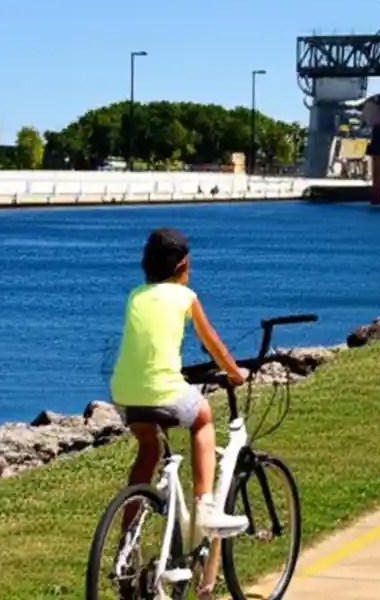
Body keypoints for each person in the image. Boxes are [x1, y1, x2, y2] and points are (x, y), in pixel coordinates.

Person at [109, 227, 249, 537]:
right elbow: (212, 343)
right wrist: (235, 373)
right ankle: (205, 507)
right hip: (163, 389)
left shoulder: (136, 295)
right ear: (182, 265)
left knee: (148, 450)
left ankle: (126, 542)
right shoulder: (186, 296)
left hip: (125, 392)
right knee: (202, 418)